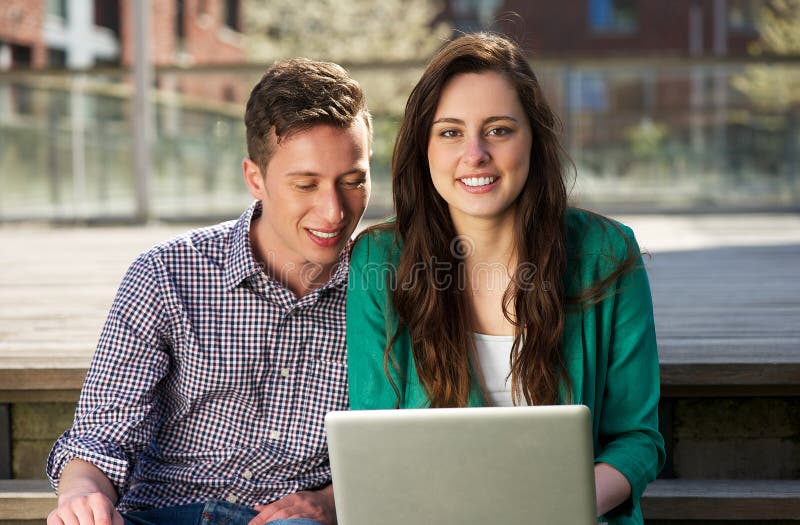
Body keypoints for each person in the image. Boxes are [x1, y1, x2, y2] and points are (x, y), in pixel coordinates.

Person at [346, 32, 665, 525]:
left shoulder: (607, 253)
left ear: (534, 139)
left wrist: (563, 506)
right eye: (450, 132)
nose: (474, 154)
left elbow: (637, 440)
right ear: (423, 147)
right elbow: (377, 440)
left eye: (498, 130)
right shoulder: (380, 261)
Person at [46, 58, 372, 525]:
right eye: (306, 184)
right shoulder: (165, 274)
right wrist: (82, 498)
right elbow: (101, 436)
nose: (334, 211)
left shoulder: (382, 289)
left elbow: (407, 442)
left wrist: (331, 499)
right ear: (255, 178)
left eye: (352, 182)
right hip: (160, 512)